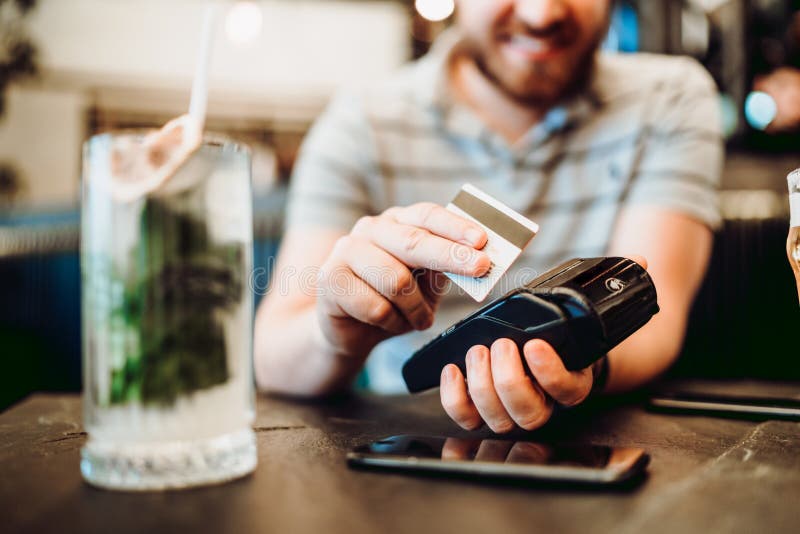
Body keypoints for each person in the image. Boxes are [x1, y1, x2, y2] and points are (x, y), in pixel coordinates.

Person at [254, 0, 722, 433]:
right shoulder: (360, 122)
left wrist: (583, 357)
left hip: (606, 438)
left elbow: (651, 307)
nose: (541, 14)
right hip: (414, 445)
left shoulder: (671, 96)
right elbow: (273, 357)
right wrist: (334, 335)